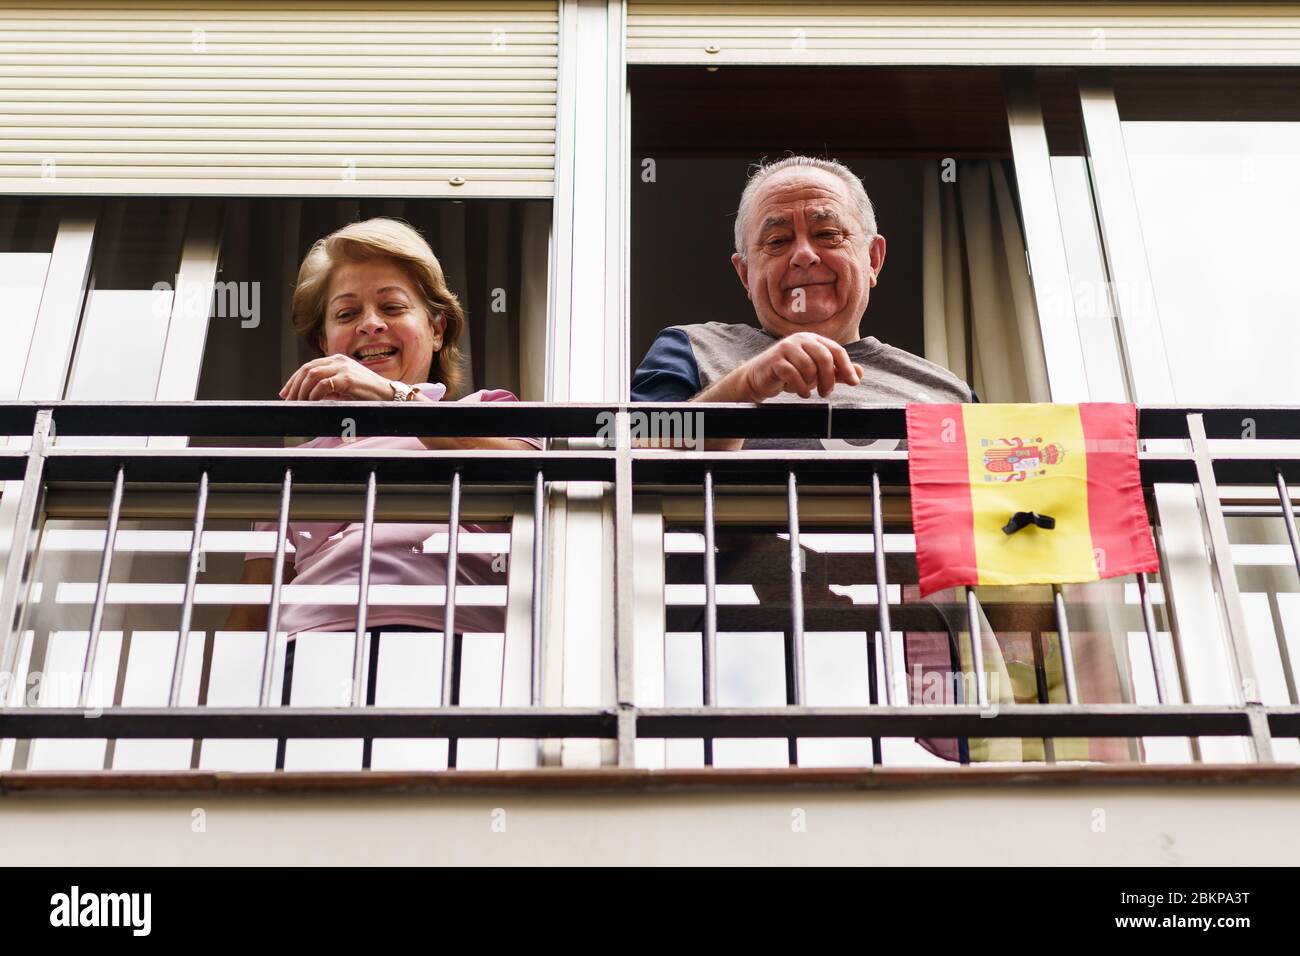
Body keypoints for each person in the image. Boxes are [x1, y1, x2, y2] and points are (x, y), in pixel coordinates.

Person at [633, 157, 1126, 764]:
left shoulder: (942, 392)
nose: (804, 254)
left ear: (873, 257)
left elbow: (1010, 555)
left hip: (928, 698)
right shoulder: (695, 348)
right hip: (733, 677)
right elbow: (630, 459)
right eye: (778, 240)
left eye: (828, 232)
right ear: (744, 271)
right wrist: (746, 387)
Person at [224, 218, 538, 769]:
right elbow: (252, 614)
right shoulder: (296, 464)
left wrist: (397, 398)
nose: (370, 325)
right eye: (347, 314)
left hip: (457, 655)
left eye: (392, 308)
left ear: (438, 329)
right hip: (312, 664)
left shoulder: (488, 412)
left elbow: (532, 483)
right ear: (325, 344)